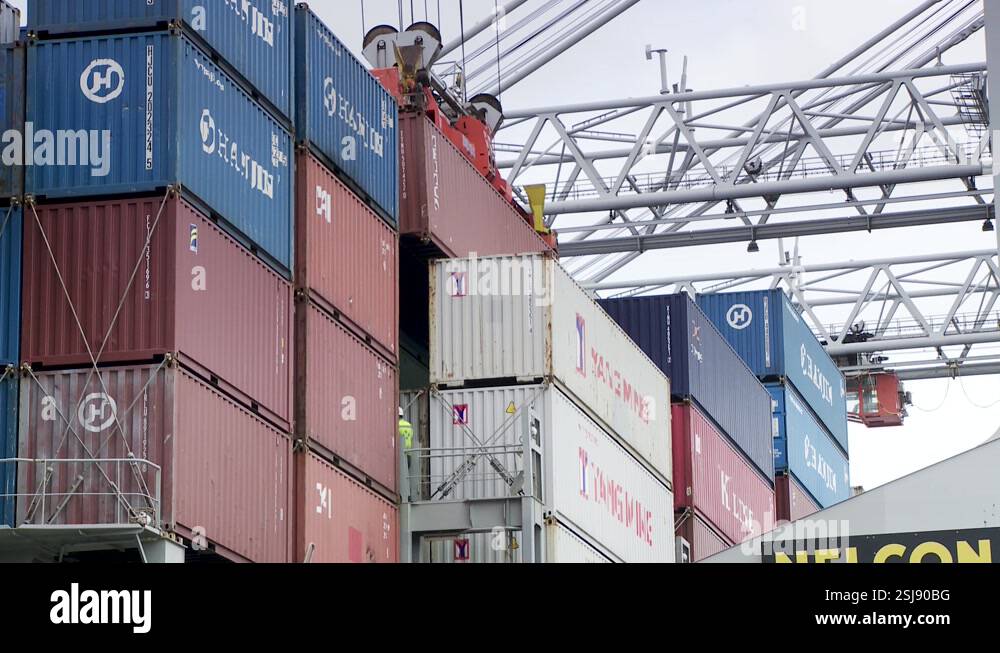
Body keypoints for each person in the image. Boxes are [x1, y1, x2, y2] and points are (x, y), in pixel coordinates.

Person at [399, 407, 415, 501]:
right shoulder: (408, 425)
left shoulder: (395, 424)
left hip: (399, 454)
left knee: (399, 476)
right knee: (406, 476)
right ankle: (408, 496)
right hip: (408, 453)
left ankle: (401, 495)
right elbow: (411, 436)